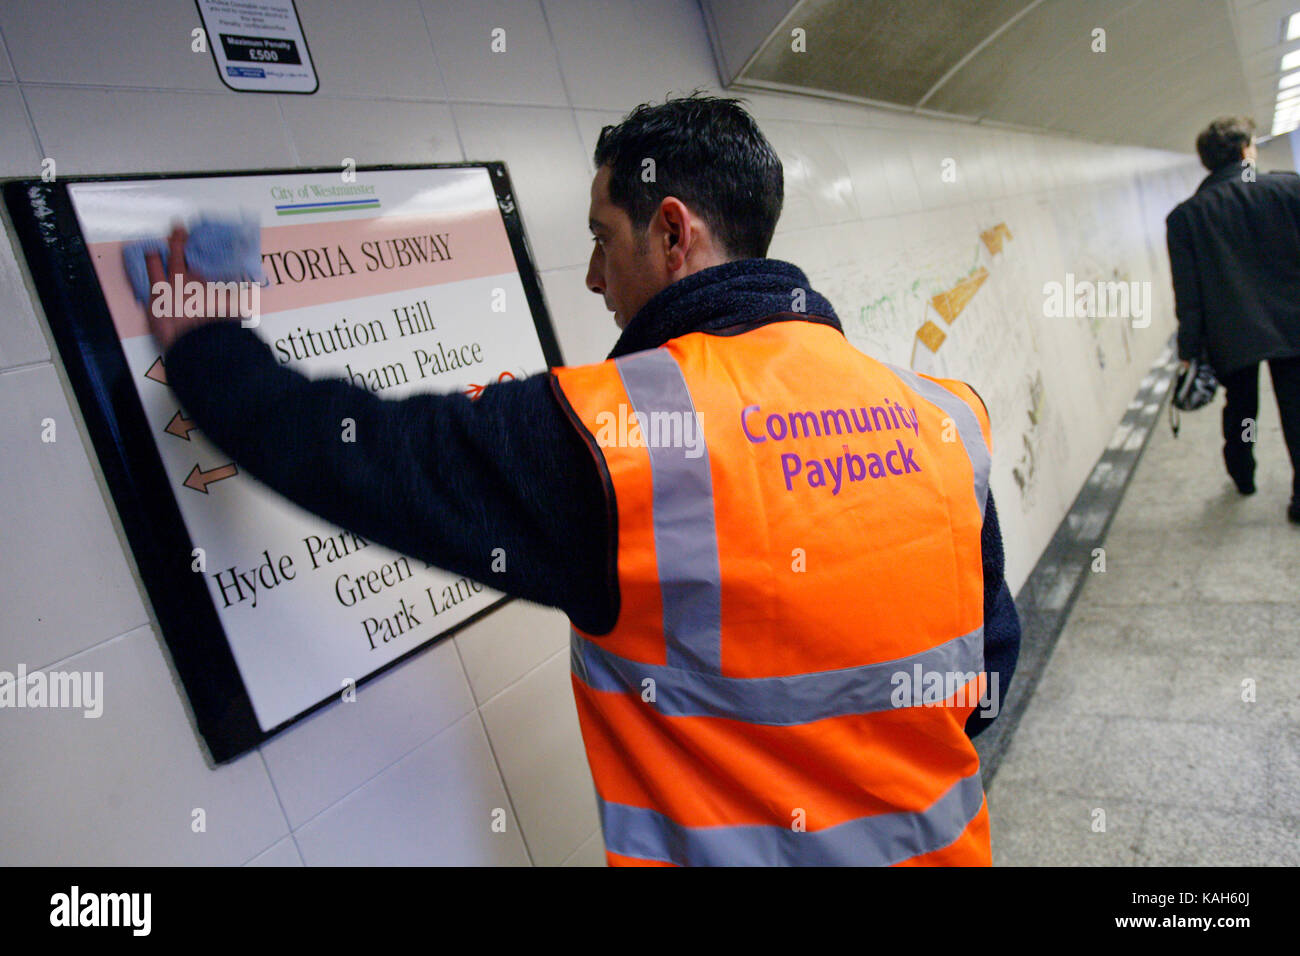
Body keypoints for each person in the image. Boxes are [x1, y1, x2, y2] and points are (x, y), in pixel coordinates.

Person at [146, 92, 1020, 866]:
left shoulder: (618, 437)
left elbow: (364, 454)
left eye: (603, 238)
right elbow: (988, 666)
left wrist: (202, 343)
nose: (596, 277)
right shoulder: (939, 413)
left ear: (674, 232)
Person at [1166, 116, 1300, 521]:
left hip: (1232, 331)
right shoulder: (1290, 189)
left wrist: (1189, 350)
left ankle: (1243, 475)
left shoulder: (1186, 217)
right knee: (1296, 407)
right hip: (1293, 323)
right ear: (1245, 151)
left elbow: (1187, 293)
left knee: (1241, 408)